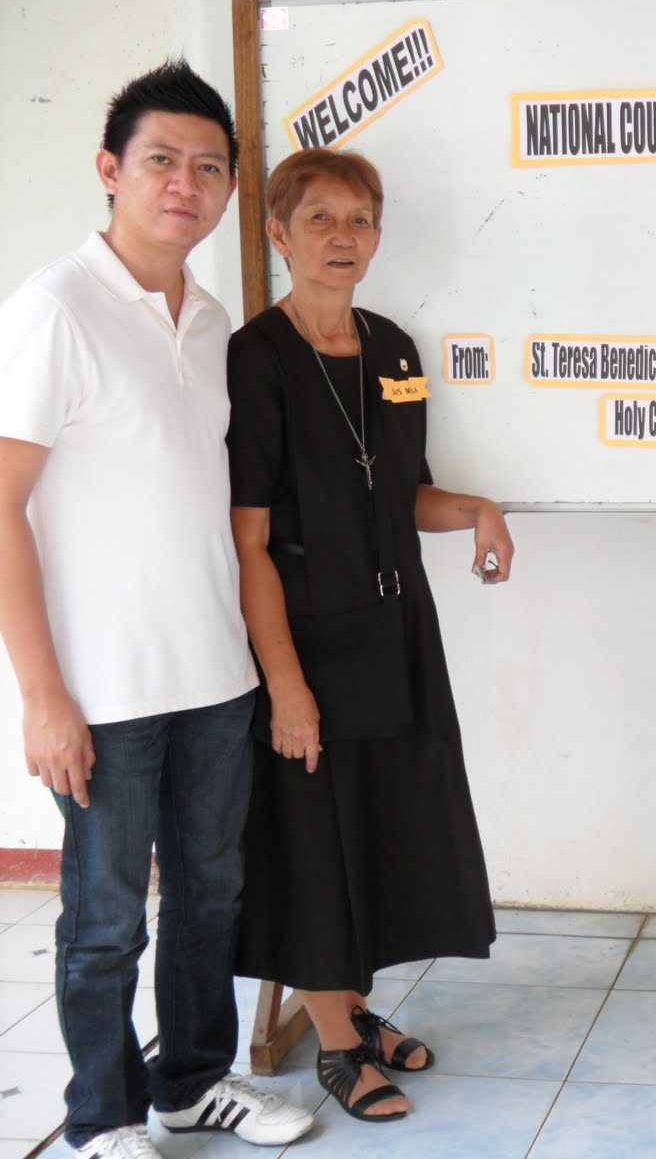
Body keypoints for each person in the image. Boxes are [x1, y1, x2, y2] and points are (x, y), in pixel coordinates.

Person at [0, 62, 316, 1159]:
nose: (185, 182)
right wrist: (43, 696)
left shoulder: (214, 316)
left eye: (208, 166)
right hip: (106, 691)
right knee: (101, 925)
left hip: (214, 674)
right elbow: (2, 510)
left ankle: (188, 1083)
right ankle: (100, 1120)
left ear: (230, 188)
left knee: (207, 902)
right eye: (160, 160)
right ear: (109, 170)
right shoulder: (52, 308)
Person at [226, 147, 505, 1123]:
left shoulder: (391, 350)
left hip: (395, 625)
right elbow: (248, 538)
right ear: (277, 233)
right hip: (301, 633)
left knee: (384, 826)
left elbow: (400, 494)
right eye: (319, 221)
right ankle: (337, 1049)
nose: (342, 240)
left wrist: (475, 510)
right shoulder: (254, 359)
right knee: (309, 840)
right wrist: (286, 685)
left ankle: (354, 1007)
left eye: (358, 221)